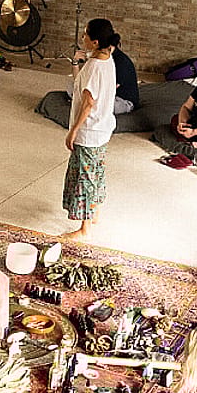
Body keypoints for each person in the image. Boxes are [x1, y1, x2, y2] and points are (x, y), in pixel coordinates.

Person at [61, 19, 119, 241]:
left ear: (95, 42)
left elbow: (88, 103)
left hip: (90, 131)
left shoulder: (94, 66)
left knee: (85, 178)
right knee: (96, 172)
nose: (82, 38)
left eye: (85, 35)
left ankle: (84, 229)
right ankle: (94, 215)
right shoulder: (108, 58)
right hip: (103, 128)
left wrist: (73, 131)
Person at [110, 42, 139, 114]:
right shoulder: (108, 58)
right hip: (114, 96)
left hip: (125, 101)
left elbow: (111, 88)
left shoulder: (121, 62)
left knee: (97, 107)